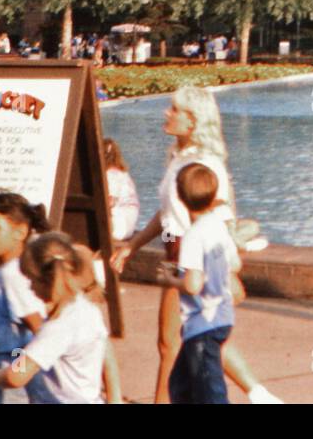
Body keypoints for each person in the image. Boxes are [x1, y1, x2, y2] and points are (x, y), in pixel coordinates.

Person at [110, 85, 280, 404]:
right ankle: (260, 394)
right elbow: (167, 212)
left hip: (192, 255)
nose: (167, 113)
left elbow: (222, 217)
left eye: (174, 110)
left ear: (193, 121)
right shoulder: (178, 157)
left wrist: (225, 268)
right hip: (177, 249)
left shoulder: (206, 163)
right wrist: (133, 246)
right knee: (196, 336)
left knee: (170, 342)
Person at [0, 233, 110, 404]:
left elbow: (16, 376)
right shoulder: (87, 307)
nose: (30, 287)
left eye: (31, 280)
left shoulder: (59, 326)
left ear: (47, 281)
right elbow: (106, 349)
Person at [159, 163, 241, 404]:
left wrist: (171, 279)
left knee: (210, 390)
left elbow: (192, 285)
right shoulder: (218, 227)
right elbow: (234, 264)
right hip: (222, 316)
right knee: (180, 384)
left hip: (202, 322)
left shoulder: (193, 236)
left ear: (181, 200)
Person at [0, 192, 55, 404]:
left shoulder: (12, 274)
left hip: (7, 366)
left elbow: (38, 328)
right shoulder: (12, 269)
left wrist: (14, 372)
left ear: (20, 231)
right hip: (2, 368)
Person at [102, 138, 140, 242]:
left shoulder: (110, 175)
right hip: (128, 224)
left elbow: (110, 202)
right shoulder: (122, 173)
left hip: (118, 227)